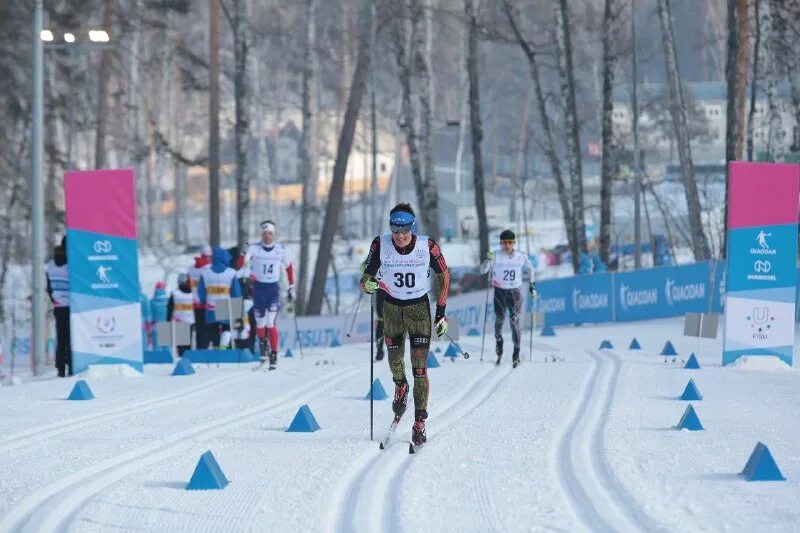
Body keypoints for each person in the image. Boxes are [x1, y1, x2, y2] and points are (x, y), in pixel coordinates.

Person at [360, 203, 450, 446]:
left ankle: (419, 422)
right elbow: (366, 277)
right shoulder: (380, 244)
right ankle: (400, 386)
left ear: (412, 227)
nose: (399, 236)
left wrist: (441, 312)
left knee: (419, 368)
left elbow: (444, 275)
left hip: (419, 310)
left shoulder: (427, 246)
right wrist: (368, 284)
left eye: (404, 230)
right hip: (391, 310)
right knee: (395, 362)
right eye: (395, 230)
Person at [242, 220, 295, 369]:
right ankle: (263, 343)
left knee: (270, 322)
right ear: (261, 234)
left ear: (273, 235)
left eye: (270, 234)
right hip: (258, 290)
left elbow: (289, 267)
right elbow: (242, 263)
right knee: (260, 323)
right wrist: (243, 252)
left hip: (272, 289)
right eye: (265, 234)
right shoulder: (254, 249)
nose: (267, 236)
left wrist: (291, 287)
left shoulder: (280, 249)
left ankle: (274, 354)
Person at [482, 229, 536, 368]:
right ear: (501, 243)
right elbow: (483, 270)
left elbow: (531, 269)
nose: (507, 245)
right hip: (500, 291)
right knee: (500, 319)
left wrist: (532, 286)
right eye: (504, 243)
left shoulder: (521, 255)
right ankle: (499, 342)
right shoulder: (495, 255)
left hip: (515, 292)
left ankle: (516, 353)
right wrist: (487, 260)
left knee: (514, 321)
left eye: (510, 242)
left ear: (514, 243)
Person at [197, 247, 242, 348]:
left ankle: (216, 347)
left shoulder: (205, 273)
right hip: (225, 305)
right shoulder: (231, 272)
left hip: (211, 305)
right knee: (227, 328)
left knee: (213, 329)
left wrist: (203, 300)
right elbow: (236, 292)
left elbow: (201, 291)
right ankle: (223, 346)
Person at [45, 236, 71, 377]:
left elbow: (48, 287)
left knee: (61, 337)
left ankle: (60, 367)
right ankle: (72, 366)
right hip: (72, 306)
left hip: (58, 305)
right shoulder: (71, 264)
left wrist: (54, 300)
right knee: (72, 337)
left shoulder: (50, 264)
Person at [188, 245, 212, 349]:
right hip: (208, 304)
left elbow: (188, 285)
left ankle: (199, 349)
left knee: (199, 329)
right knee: (210, 329)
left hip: (195, 304)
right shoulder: (209, 269)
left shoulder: (191, 268)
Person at [167, 273, 195, 356]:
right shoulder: (192, 293)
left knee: (180, 344)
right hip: (190, 320)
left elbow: (170, 307)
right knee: (188, 343)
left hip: (179, 320)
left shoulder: (175, 293)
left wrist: (168, 319)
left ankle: (181, 357)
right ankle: (188, 358)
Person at [150, 281, 169, 348]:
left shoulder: (152, 301)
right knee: (167, 350)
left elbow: (149, 317)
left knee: (157, 350)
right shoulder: (168, 300)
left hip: (155, 327)